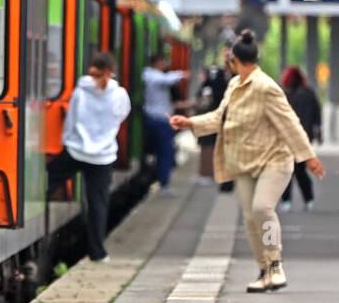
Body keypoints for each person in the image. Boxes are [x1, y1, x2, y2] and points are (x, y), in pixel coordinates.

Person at [170, 30, 325, 293]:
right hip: (243, 162)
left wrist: (308, 157)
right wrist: (190, 123)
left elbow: (290, 124)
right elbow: (219, 118)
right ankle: (264, 270)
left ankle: (276, 264)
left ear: (234, 62)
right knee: (250, 218)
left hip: (274, 159)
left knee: (263, 208)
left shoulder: (266, 87)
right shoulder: (233, 86)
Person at [48, 51, 132, 263]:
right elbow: (121, 116)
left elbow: (72, 121)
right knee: (98, 204)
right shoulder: (119, 94)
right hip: (103, 156)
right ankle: (97, 253)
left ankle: (30, 211)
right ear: (112, 71)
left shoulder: (81, 90)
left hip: (76, 150)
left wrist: (69, 141)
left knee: (48, 179)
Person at [278, 65, 322, 211]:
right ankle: (308, 199)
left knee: (286, 170)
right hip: (304, 136)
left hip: (287, 137)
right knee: (300, 170)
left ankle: (286, 201)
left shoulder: (284, 95)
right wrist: (319, 132)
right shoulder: (309, 93)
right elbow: (317, 114)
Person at [142, 52, 187, 196]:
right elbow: (168, 79)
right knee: (166, 152)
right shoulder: (151, 75)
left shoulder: (151, 75)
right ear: (157, 62)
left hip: (157, 118)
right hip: (159, 119)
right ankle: (164, 184)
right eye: (163, 62)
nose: (165, 65)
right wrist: (182, 74)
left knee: (163, 152)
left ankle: (161, 181)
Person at [192, 61, 230, 185]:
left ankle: (206, 174)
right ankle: (208, 174)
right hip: (217, 120)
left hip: (207, 120)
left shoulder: (207, 88)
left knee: (207, 148)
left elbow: (202, 103)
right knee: (211, 147)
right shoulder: (223, 87)